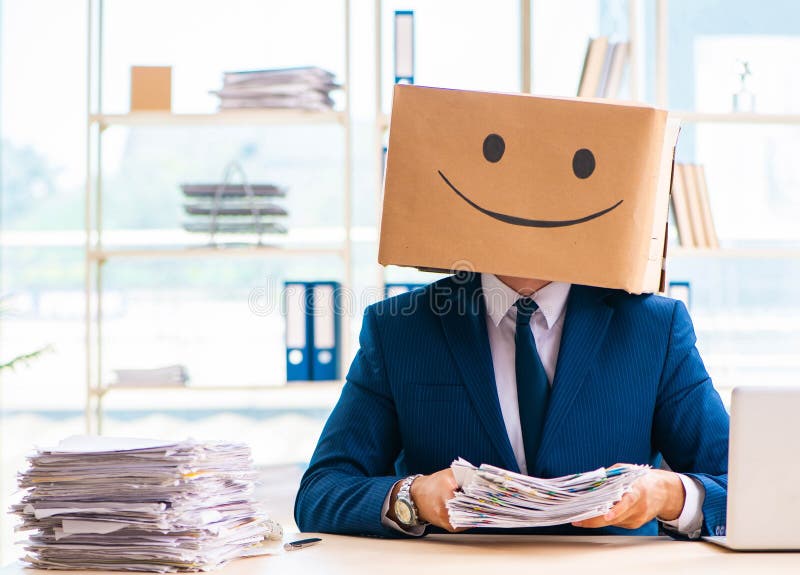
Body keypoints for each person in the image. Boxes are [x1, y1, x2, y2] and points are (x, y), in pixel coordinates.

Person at [294, 271, 729, 539]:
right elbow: (319, 493)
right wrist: (414, 499)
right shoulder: (399, 328)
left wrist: (669, 495)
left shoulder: (654, 326)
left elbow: (742, 488)